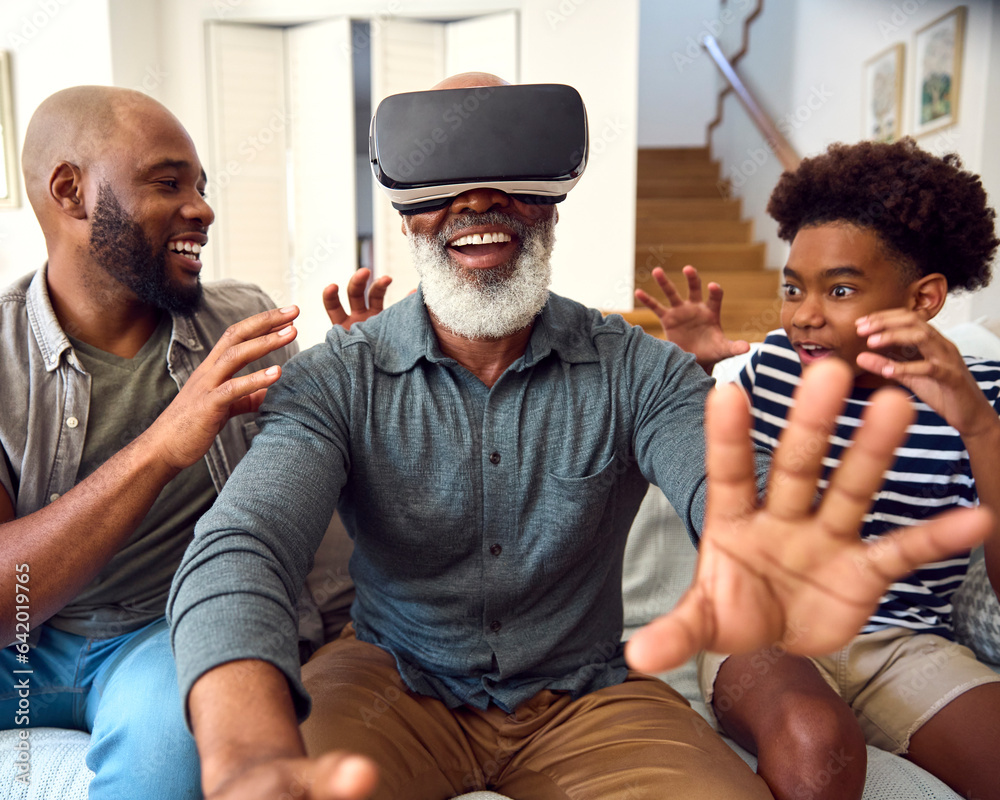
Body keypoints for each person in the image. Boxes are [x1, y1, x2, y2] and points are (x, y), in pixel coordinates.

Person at [168, 76, 994, 800]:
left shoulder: (643, 372)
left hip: (587, 694)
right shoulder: (335, 377)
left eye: (510, 174)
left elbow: (730, 489)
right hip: (391, 679)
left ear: (553, 198)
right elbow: (244, 544)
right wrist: (245, 748)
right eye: (446, 178)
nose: (479, 200)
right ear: (408, 210)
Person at [0, 85, 386, 799]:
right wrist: (161, 445)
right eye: (168, 182)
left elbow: (332, 478)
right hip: (20, 651)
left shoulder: (247, 323)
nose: (202, 207)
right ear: (70, 191)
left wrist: (370, 392)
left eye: (201, 187)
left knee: (175, 754)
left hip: (159, 633)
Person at [637, 137, 1000, 800]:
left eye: (839, 289)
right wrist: (697, 368)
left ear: (923, 299)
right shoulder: (773, 366)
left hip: (902, 641)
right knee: (814, 737)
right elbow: (690, 453)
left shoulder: (984, 397)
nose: (804, 316)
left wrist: (979, 428)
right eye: (792, 288)